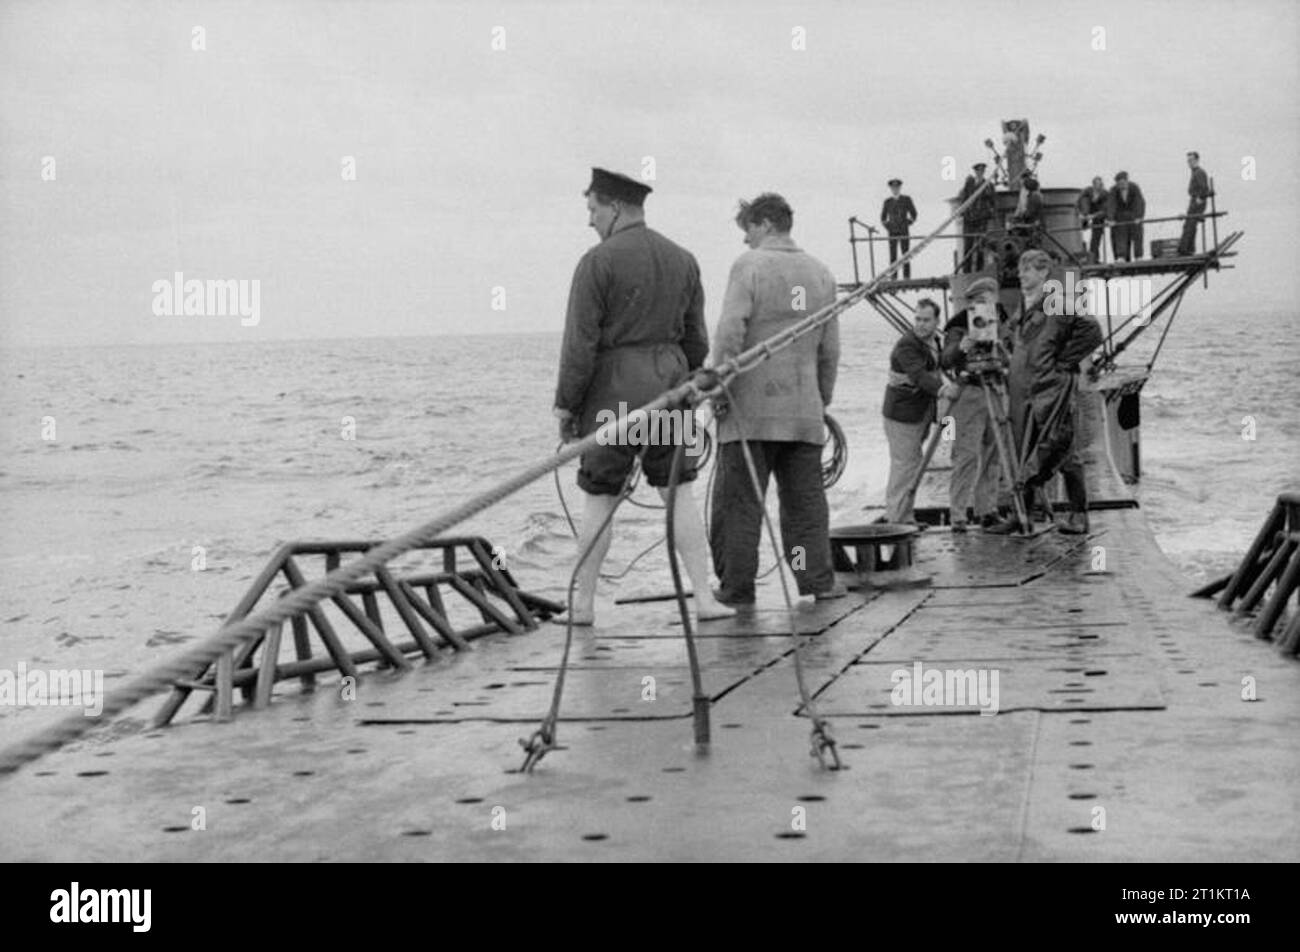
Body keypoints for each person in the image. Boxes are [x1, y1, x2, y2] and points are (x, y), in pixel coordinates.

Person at [553, 167, 733, 625]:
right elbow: (697, 341)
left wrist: (566, 406)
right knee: (679, 495)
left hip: (612, 394)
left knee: (599, 499)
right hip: (670, 390)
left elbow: (580, 344)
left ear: (614, 207)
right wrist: (689, 382)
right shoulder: (683, 259)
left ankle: (583, 606)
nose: (589, 220)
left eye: (592, 210)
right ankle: (706, 600)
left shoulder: (597, 262)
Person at [709, 192, 844, 606]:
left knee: (741, 508)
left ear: (764, 224)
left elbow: (731, 331)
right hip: (803, 413)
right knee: (804, 508)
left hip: (751, 412)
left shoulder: (749, 266)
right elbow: (830, 349)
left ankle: (737, 588)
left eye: (747, 230)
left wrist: (718, 387)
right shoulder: (821, 273)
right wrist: (821, 401)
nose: (745, 241)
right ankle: (815, 582)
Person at [989, 250, 1104, 535]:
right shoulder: (1025, 305)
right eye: (1020, 268)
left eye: (1028, 269)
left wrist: (1063, 362)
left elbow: (1091, 331)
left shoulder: (1057, 301)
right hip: (1024, 389)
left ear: (1043, 273)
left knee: (1063, 450)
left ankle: (1079, 514)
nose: (1021, 274)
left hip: (1050, 389)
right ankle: (1022, 513)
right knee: (1022, 449)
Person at [940, 276, 1011, 531]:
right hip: (969, 393)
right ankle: (958, 514)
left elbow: (1014, 357)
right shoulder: (958, 327)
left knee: (993, 456)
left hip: (995, 389)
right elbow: (945, 360)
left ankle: (987, 510)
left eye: (986, 301)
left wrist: (1004, 350)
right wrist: (961, 347)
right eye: (976, 302)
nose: (981, 308)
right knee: (966, 455)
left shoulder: (1002, 324)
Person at [882, 299, 960, 525]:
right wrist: (945, 389)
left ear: (937, 322)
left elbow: (941, 364)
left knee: (913, 464)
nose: (921, 324)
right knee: (904, 465)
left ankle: (906, 516)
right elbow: (919, 376)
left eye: (926, 320)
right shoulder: (907, 345)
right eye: (918, 319)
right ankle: (897, 520)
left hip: (921, 411)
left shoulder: (935, 340)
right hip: (902, 415)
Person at [958, 163, 997, 273]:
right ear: (975, 172)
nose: (980, 172)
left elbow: (992, 201)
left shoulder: (988, 185)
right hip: (969, 220)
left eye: (982, 171)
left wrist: (991, 213)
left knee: (980, 246)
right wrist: (963, 213)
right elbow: (964, 199)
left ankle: (979, 270)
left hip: (981, 219)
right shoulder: (969, 184)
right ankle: (967, 271)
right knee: (968, 246)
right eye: (978, 171)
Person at [881, 178, 918, 279]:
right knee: (893, 255)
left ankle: (906, 276)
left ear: (900, 188)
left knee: (905, 254)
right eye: (893, 188)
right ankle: (894, 276)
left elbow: (914, 214)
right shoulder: (887, 202)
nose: (895, 189)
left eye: (897, 187)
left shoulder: (906, 200)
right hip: (892, 232)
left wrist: (908, 223)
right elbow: (883, 218)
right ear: (891, 189)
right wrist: (888, 227)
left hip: (904, 230)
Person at [1177, 151, 1212, 256]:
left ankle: (1184, 249)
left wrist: (1200, 198)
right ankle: (1189, 248)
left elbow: (1205, 188)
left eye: (1191, 160)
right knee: (1190, 225)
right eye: (1188, 161)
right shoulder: (1195, 172)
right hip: (1194, 201)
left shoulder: (1199, 172)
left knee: (1190, 225)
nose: (1189, 163)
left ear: (1197, 160)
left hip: (1197, 202)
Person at [1108, 171, 1146, 261]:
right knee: (1120, 234)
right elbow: (1111, 204)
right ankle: (1121, 256)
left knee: (1138, 233)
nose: (1121, 186)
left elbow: (1140, 202)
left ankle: (1138, 256)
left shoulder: (1134, 187)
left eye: (1123, 183)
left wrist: (1139, 217)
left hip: (1133, 215)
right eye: (1119, 184)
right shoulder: (1113, 190)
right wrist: (1111, 219)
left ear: (1127, 181)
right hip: (1120, 216)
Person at [1077, 176, 1109, 262]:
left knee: (1096, 235)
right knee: (1070, 273)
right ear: (1093, 185)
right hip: (1086, 212)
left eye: (1100, 184)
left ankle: (1093, 256)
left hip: (1098, 216)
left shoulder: (1105, 194)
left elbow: (1106, 209)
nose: (1099, 186)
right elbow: (1079, 201)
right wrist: (1082, 214)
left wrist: (1094, 216)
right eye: (1097, 184)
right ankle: (1084, 221)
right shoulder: (1087, 191)